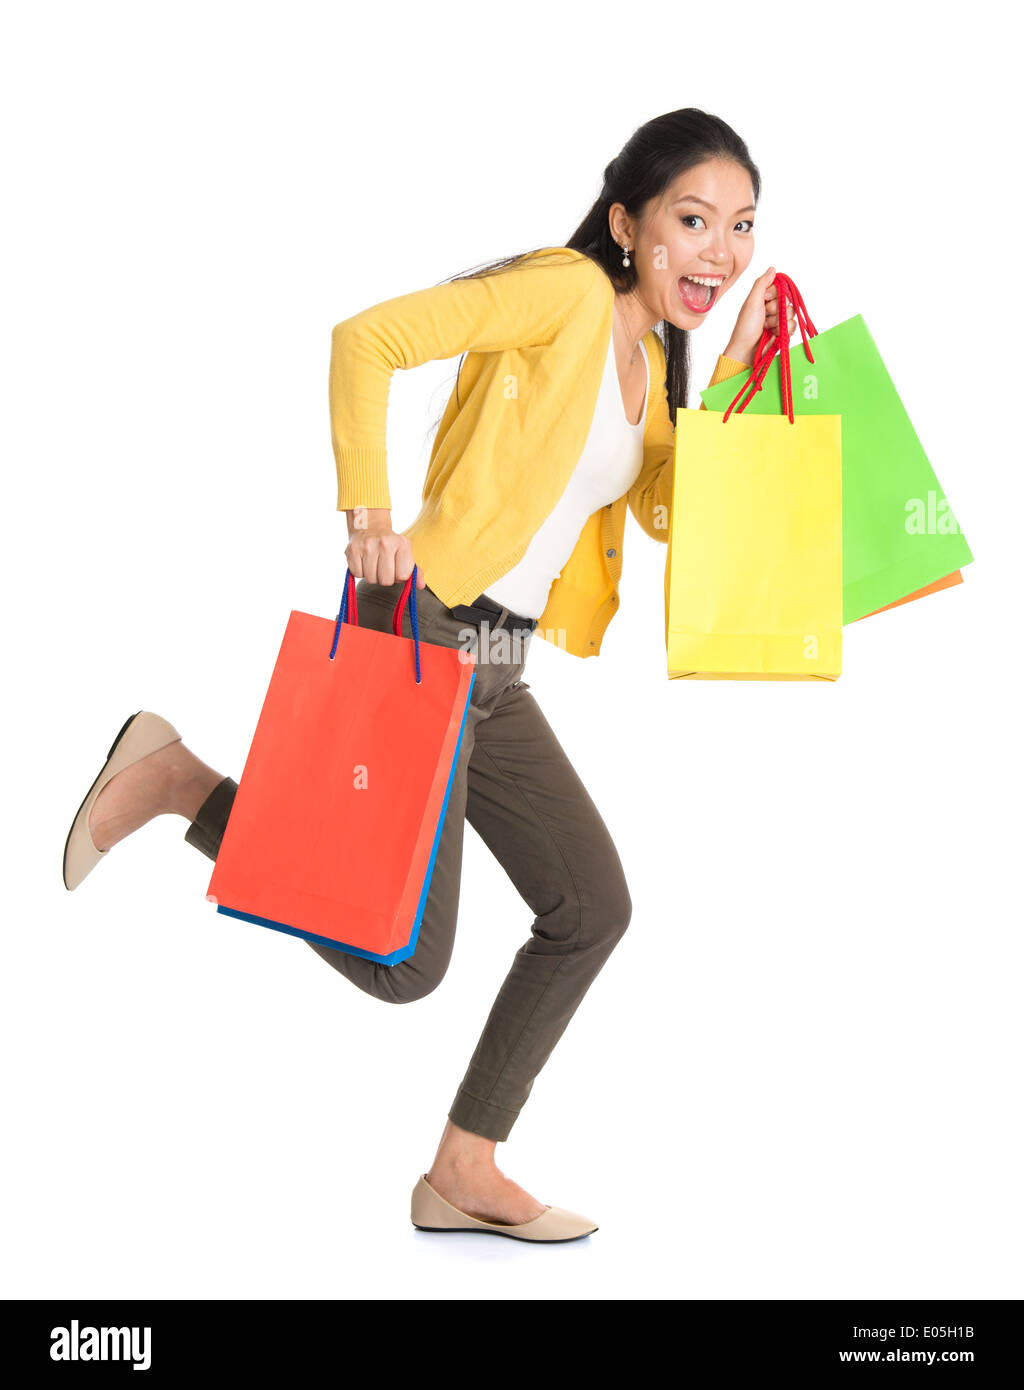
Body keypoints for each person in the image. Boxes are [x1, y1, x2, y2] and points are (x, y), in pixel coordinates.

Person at [63, 107, 795, 1243]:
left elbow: (662, 515)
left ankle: (463, 1167)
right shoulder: (560, 291)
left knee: (590, 904)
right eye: (693, 219)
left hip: (497, 661)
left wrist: (741, 368)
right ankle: (176, 784)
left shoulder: (651, 360)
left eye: (741, 227)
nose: (720, 250)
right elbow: (367, 338)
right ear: (627, 223)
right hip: (427, 623)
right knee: (403, 962)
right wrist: (369, 513)